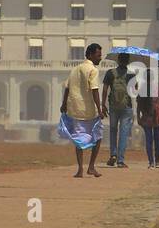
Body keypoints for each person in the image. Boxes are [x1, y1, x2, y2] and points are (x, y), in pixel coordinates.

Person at [58, 43, 106, 177]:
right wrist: (100, 108)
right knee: (98, 136)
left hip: (75, 109)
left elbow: (67, 88)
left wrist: (64, 104)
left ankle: (80, 169)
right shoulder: (93, 70)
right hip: (89, 110)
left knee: (79, 140)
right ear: (90, 55)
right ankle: (91, 167)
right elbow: (95, 90)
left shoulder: (75, 69)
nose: (100, 58)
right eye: (98, 55)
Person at [102, 53, 137, 168]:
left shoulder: (110, 73)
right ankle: (120, 160)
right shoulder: (131, 75)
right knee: (123, 133)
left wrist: (103, 104)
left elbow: (105, 89)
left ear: (117, 60)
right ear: (128, 62)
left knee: (113, 131)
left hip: (113, 106)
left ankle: (113, 155)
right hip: (126, 107)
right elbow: (134, 91)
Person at [134, 68, 159, 169]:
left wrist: (138, 117)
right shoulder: (157, 89)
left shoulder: (142, 89)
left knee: (149, 141)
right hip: (156, 119)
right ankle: (157, 161)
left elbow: (138, 106)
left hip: (146, 119)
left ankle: (151, 162)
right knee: (157, 140)